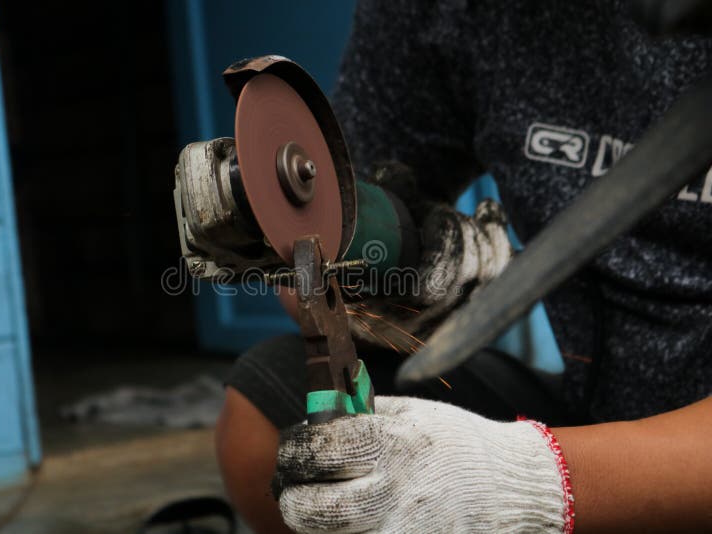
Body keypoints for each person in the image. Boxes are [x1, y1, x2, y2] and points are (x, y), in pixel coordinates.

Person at [215, 1, 712, 532]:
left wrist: (529, 479)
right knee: (275, 420)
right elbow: (312, 262)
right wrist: (397, 276)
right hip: (595, 399)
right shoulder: (450, 12)